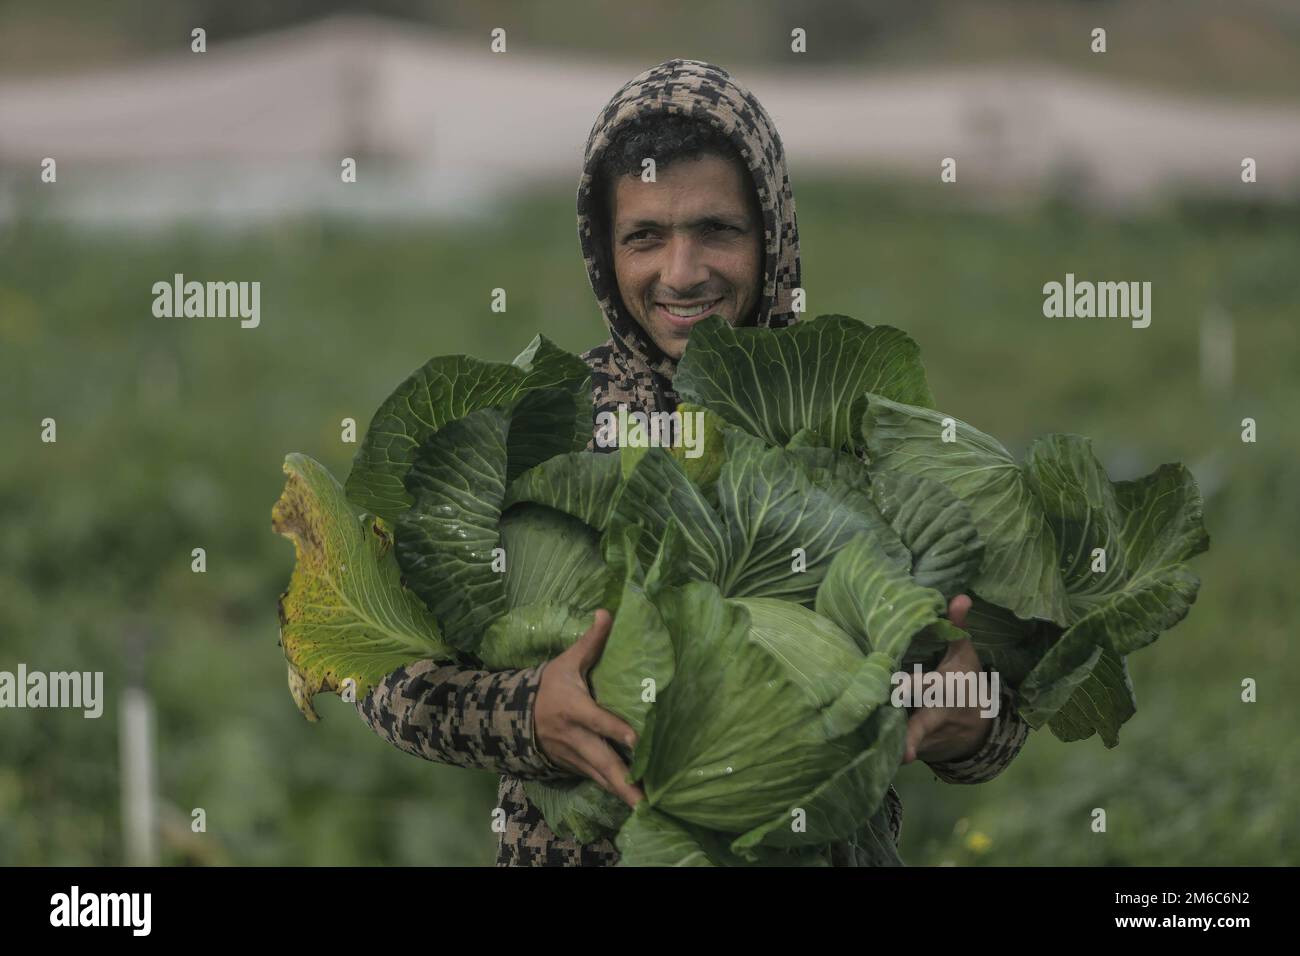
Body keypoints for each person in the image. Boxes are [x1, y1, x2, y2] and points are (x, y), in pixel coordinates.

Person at [355, 59, 1029, 867]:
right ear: (604, 251)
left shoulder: (857, 429)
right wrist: (526, 713)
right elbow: (383, 677)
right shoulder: (538, 428)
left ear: (771, 233)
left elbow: (1004, 701)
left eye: (717, 229)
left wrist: (973, 714)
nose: (682, 273)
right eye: (646, 236)